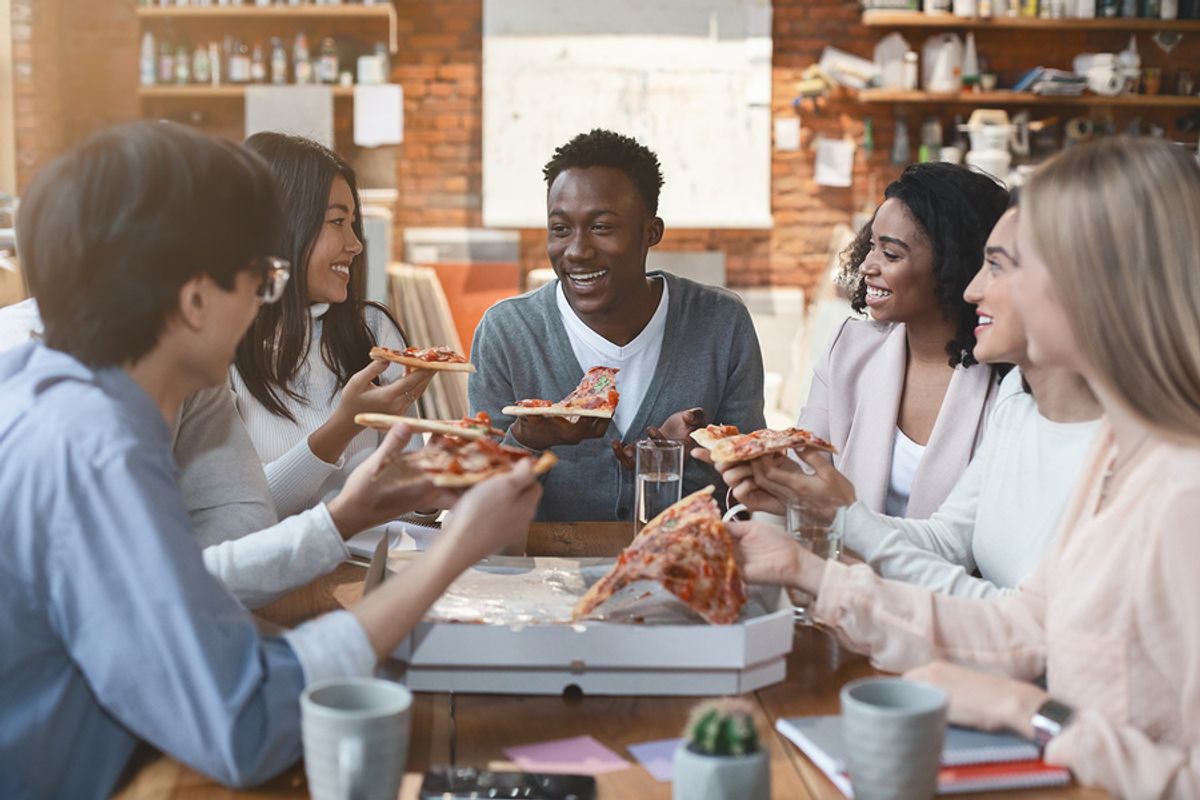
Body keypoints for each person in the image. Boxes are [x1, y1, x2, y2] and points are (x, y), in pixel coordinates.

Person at [0, 121, 542, 798]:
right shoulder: (94, 451)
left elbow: (196, 609)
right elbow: (246, 722)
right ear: (194, 300)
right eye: (259, 279)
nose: (263, 302)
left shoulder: (46, 390)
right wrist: (454, 553)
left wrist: (349, 513)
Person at [730, 137, 1200, 797]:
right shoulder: (1117, 450)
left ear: (1097, 282)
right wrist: (805, 571)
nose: (975, 287)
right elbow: (1026, 626)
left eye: (1003, 266)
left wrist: (1028, 712)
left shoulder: (1182, 492)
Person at [710, 207, 1102, 597]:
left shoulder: (1109, 449)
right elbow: (948, 540)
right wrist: (817, 512)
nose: (973, 289)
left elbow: (1023, 617)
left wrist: (827, 566)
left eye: (996, 266)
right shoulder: (1018, 400)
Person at [469, 128, 766, 521]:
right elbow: (476, 502)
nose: (577, 251)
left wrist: (691, 458)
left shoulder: (720, 323)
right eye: (561, 229)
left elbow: (750, 493)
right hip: (539, 559)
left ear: (651, 232)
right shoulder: (508, 332)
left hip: (684, 556)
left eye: (601, 227)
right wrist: (526, 440)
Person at [757, 164, 1010, 519]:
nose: (866, 266)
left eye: (890, 254)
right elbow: (806, 471)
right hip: (842, 555)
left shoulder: (1007, 382)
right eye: (871, 246)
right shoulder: (848, 350)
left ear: (953, 265)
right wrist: (764, 480)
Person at [232, 132, 436, 519]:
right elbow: (241, 514)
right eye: (337, 222)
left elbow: (409, 511)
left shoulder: (373, 330)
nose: (355, 244)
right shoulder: (217, 349)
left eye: (353, 223)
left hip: (373, 559)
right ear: (281, 228)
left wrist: (431, 489)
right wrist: (343, 425)